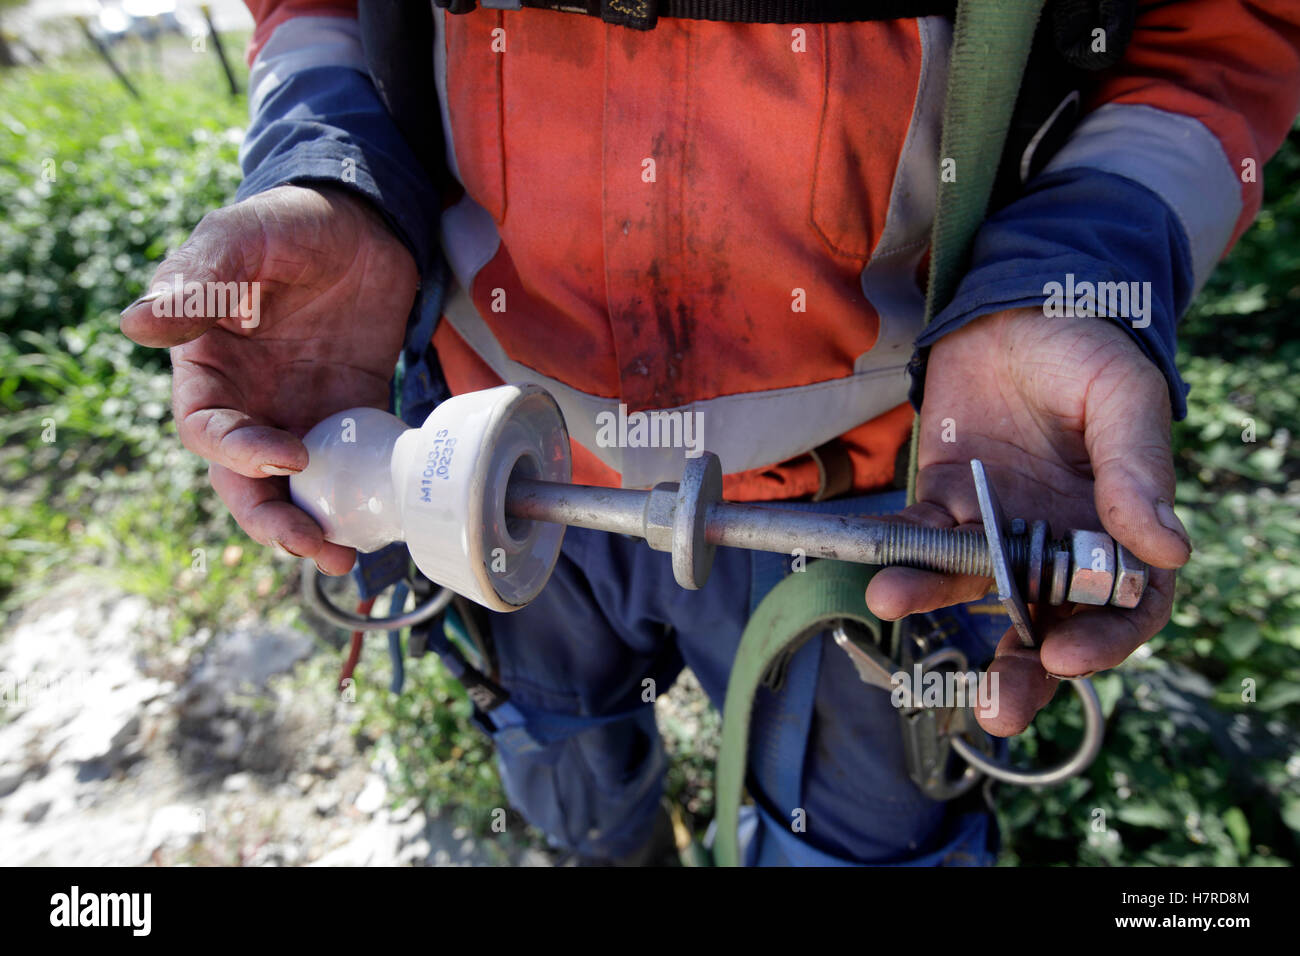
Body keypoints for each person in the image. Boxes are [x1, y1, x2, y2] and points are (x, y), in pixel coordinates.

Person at [120, 0, 1300, 865]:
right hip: (478, 462)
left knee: (869, 849)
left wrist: (1069, 271)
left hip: (898, 498)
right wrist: (330, 171)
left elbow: (1221, 34)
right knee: (569, 773)